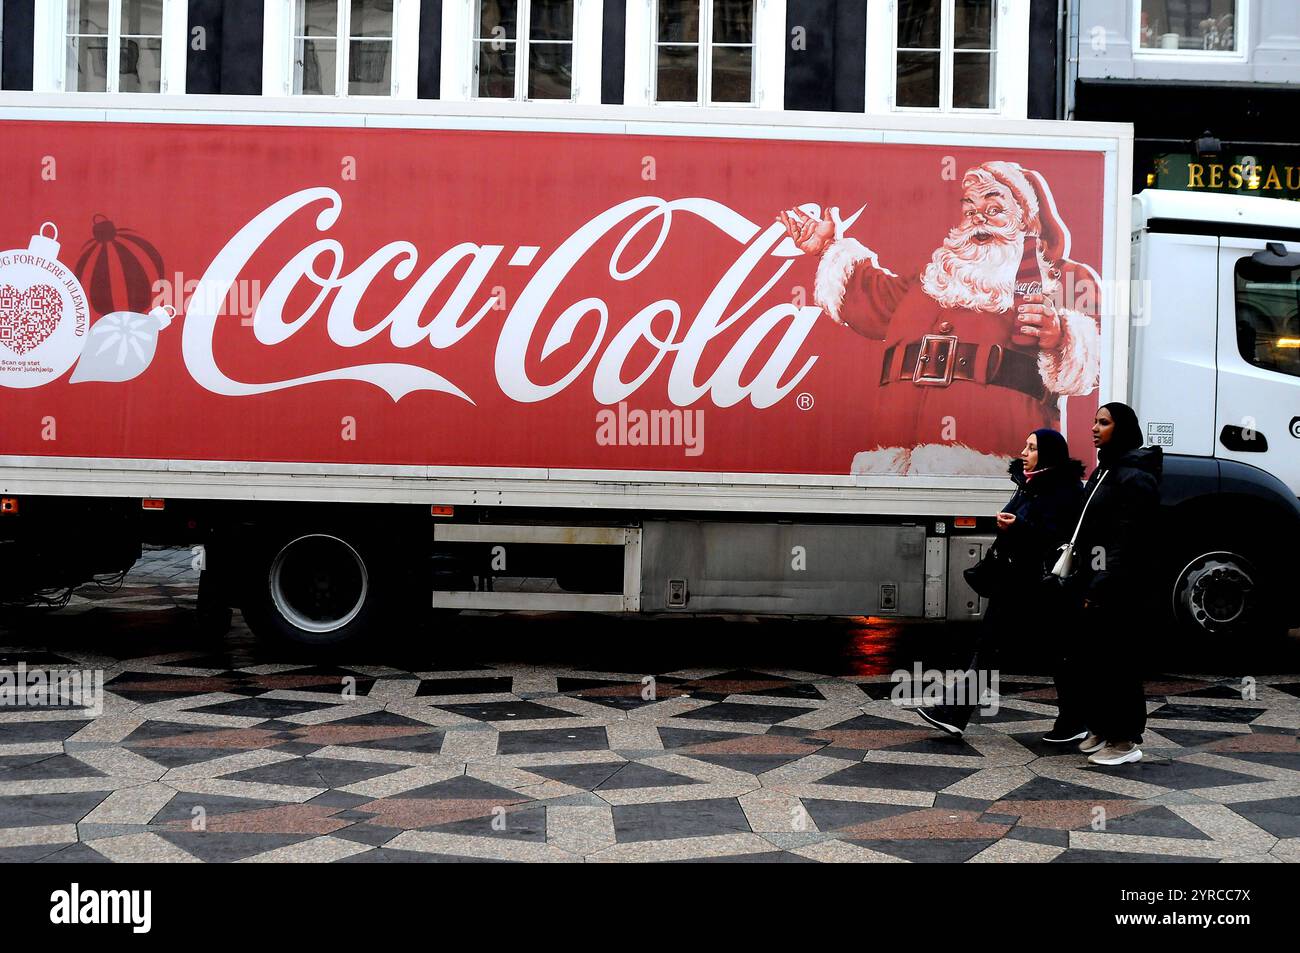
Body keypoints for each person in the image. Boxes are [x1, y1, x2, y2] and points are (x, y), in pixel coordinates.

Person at [779, 161, 1101, 476]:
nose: (979, 220)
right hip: (892, 468)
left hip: (990, 468)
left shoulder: (1062, 279)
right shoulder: (934, 278)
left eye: (993, 209)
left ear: (1026, 220)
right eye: (970, 210)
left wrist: (1060, 336)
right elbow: (873, 298)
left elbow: (1090, 358)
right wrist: (828, 247)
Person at [916, 428, 1084, 739]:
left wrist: (1019, 526)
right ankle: (954, 712)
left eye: (1031, 447)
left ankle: (1075, 721)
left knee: (1054, 651)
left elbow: (1055, 537)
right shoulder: (1029, 483)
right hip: (1017, 580)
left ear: (1047, 454)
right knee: (1005, 647)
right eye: (1025, 445)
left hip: (1037, 584)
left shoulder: (1064, 490)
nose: (1024, 451)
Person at [1071, 402, 1163, 766]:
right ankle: (1103, 727)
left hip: (1120, 586)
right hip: (1096, 574)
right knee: (1094, 657)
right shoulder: (1105, 469)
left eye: (1104, 423)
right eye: (1094, 421)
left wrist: (1103, 584)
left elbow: (1126, 540)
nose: (1095, 428)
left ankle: (1125, 739)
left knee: (1118, 660)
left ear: (1121, 429)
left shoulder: (1134, 476)